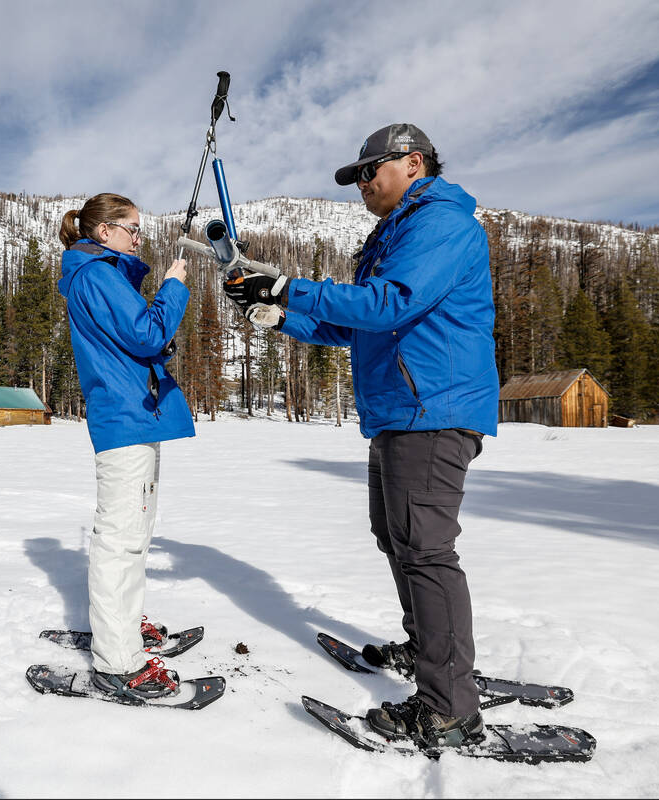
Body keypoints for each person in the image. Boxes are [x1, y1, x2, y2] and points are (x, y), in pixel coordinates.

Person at [223, 124, 499, 748]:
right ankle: (429, 648)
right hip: (401, 410)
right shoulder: (395, 232)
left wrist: (287, 284)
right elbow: (361, 328)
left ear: (412, 162)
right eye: (359, 177)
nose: (363, 186)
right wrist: (282, 314)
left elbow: (390, 302)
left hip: (432, 408)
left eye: (370, 172)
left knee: (425, 550)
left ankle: (449, 707)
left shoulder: (439, 223)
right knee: (396, 538)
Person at [57, 192, 195, 700]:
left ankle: (124, 628)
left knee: (133, 533)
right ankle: (118, 663)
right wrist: (173, 287)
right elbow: (145, 333)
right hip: (126, 421)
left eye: (140, 229)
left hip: (135, 418)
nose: (140, 237)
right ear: (103, 233)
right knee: (122, 540)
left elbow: (139, 339)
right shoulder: (96, 276)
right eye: (131, 228)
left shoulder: (103, 276)